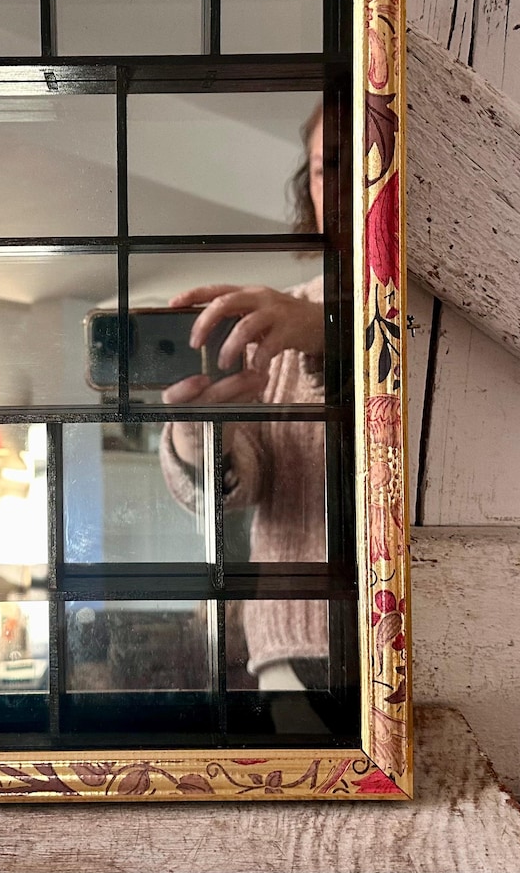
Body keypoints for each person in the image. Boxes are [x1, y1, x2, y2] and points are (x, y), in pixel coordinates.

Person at [159, 102, 330, 699]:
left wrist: (330, 330)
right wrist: (198, 427)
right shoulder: (273, 323)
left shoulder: (456, 317)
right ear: (308, 188)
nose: (347, 185)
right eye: (327, 166)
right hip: (292, 647)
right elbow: (239, 488)